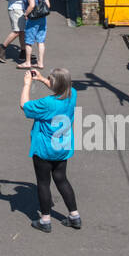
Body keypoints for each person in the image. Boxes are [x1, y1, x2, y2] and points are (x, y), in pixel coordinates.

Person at [21, 66, 81, 232]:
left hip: (45, 149)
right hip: (62, 147)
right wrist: (40, 78)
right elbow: (59, 87)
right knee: (62, 179)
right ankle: (74, 216)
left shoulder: (47, 103)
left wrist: (27, 84)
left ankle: (45, 220)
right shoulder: (73, 94)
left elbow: (24, 106)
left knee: (43, 183)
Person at [18, 0, 49, 70]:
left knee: (29, 41)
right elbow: (48, 5)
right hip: (42, 19)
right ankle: (40, 62)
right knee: (41, 41)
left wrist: (25, 14)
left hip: (33, 19)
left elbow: (32, 5)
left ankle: (27, 62)